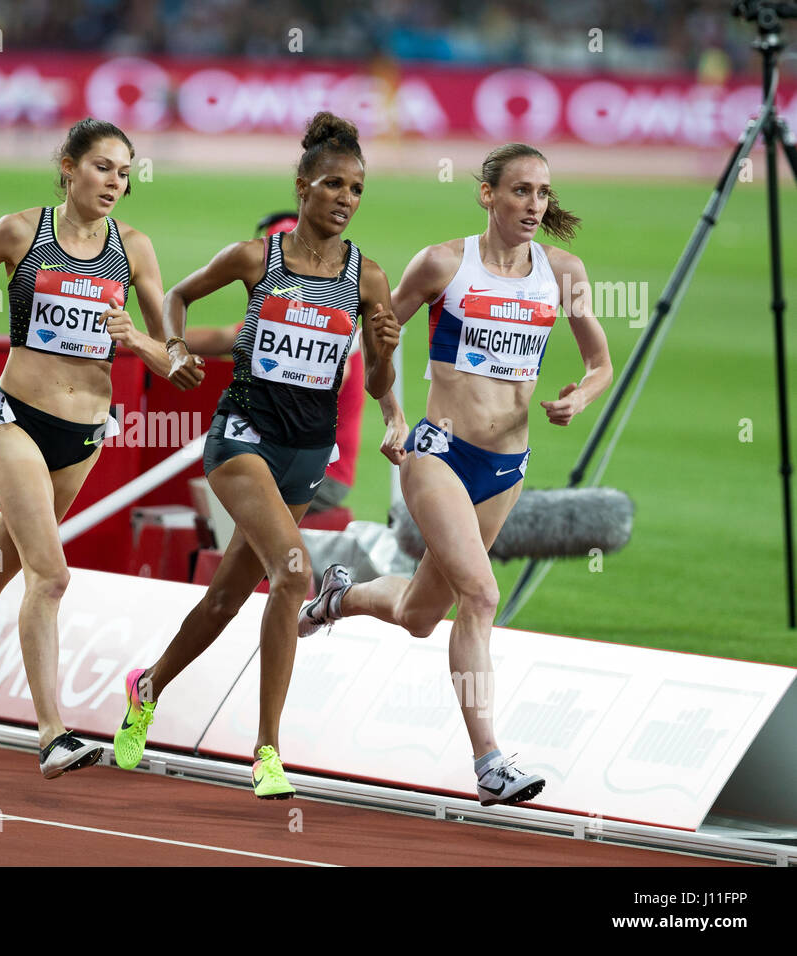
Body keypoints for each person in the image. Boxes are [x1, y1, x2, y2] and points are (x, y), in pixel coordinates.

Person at [0, 118, 204, 779]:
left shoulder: (134, 248)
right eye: (102, 167)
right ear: (68, 166)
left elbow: (172, 352)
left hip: (82, 436)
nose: (115, 181)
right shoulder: (21, 232)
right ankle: (53, 734)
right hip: (14, 422)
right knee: (50, 577)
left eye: (124, 172)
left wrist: (138, 341)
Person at [298, 143, 613, 807]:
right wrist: (391, 414)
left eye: (542, 193)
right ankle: (489, 762)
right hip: (437, 453)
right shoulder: (444, 263)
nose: (534, 205)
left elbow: (599, 362)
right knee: (481, 596)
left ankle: (340, 596)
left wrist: (578, 397)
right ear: (488, 194)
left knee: (417, 614)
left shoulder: (564, 271)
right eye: (521, 191)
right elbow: (375, 339)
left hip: (506, 469)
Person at [112, 112, 401, 798]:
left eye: (356, 188)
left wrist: (384, 346)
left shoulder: (368, 278)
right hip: (242, 440)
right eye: (332, 183)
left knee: (225, 599)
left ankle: (146, 686)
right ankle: (268, 751)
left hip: (308, 454)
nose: (344, 198)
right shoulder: (256, 259)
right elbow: (178, 296)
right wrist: (174, 348)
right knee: (295, 575)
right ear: (301, 186)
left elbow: (382, 384)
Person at [184, 211, 367, 514]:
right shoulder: (285, 312)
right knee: (222, 495)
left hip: (319, 468)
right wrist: (144, 339)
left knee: (221, 498)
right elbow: (221, 336)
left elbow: (337, 375)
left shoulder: (332, 318)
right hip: (282, 454)